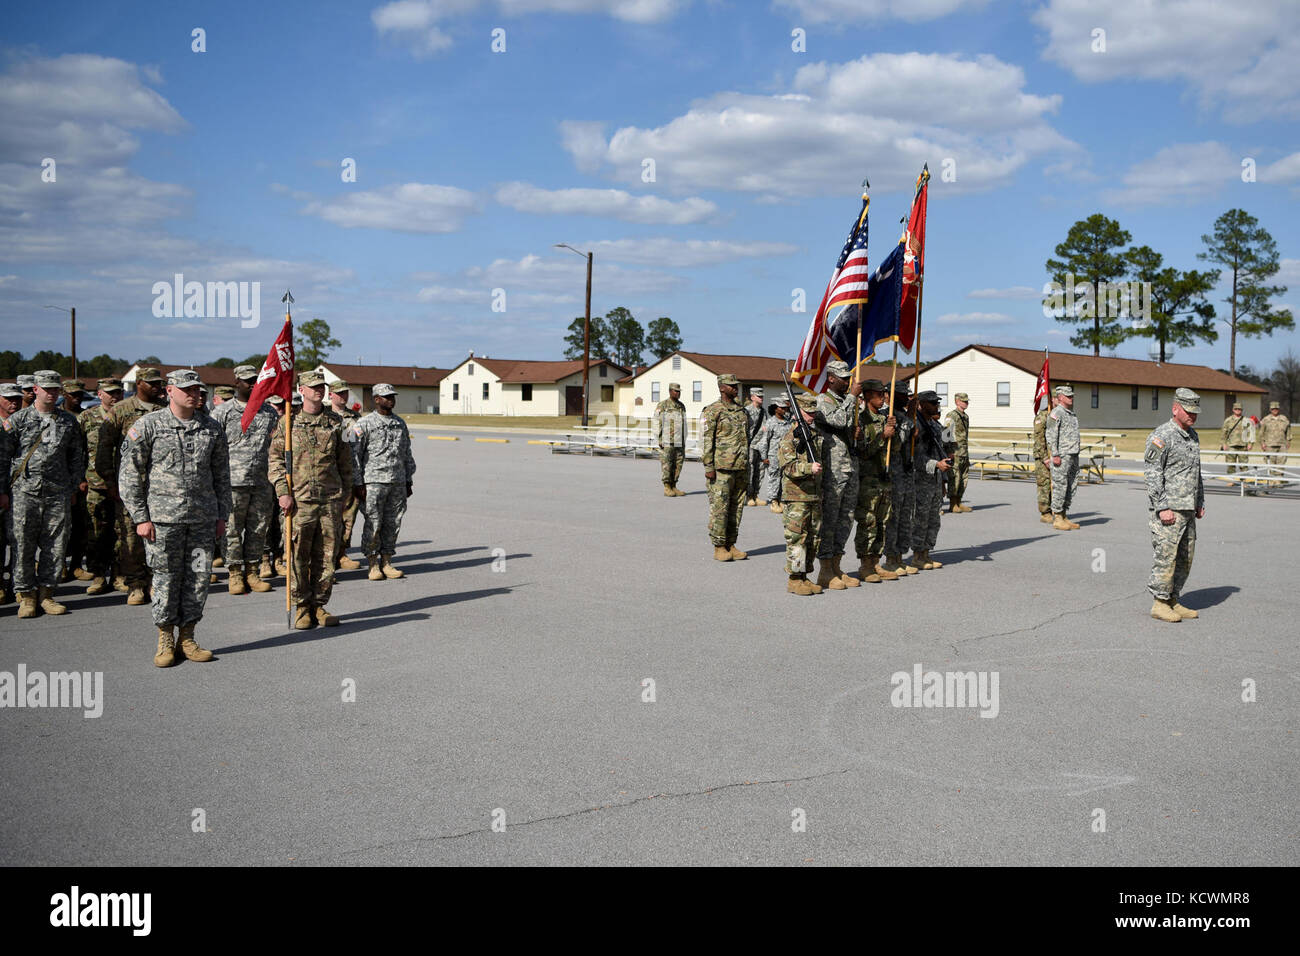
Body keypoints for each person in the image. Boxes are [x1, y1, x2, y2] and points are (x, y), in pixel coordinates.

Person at [119, 370, 230, 665]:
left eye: (197, 390)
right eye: (187, 390)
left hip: (202, 521)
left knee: (198, 578)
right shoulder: (148, 426)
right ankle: (165, 637)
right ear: (170, 391)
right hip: (163, 522)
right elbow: (130, 475)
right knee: (166, 579)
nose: (193, 395)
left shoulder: (211, 428)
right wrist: (141, 517)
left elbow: (222, 475)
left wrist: (222, 514)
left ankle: (189, 636)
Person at [267, 370, 354, 629]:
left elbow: (345, 462)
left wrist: (345, 495)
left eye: (321, 386)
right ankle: (302, 607)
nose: (319, 390)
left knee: (326, 556)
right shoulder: (288, 423)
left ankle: (319, 605)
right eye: (313, 386)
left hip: (329, 500)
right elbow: (274, 461)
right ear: (301, 390)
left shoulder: (335, 422)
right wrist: (283, 491)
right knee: (297, 556)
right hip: (299, 501)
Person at [0, 370, 85, 618]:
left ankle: (46, 594)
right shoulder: (18, 420)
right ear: (35, 389)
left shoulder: (68, 421)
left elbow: (76, 457)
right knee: (22, 544)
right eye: (46, 389)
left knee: (55, 546)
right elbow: (3, 458)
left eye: (55, 389)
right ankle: (26, 596)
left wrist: (72, 487)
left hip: (57, 493)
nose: (51, 393)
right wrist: (3, 492)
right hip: (23, 493)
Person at [97, 367, 165, 605]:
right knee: (130, 536)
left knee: (159, 536)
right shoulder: (121, 410)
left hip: (160, 487)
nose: (157, 386)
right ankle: (135, 583)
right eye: (151, 383)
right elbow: (104, 449)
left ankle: (155, 581)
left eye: (159, 383)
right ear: (139, 383)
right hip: (130, 486)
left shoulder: (165, 410)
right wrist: (110, 481)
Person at [212, 365, 277, 595]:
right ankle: (234, 573)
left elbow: (277, 448)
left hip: (261, 482)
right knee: (231, 530)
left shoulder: (269, 413)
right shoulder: (222, 413)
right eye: (247, 380)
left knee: (258, 530)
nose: (252, 384)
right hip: (232, 483)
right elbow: (213, 450)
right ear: (236, 383)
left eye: (255, 380)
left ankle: (252, 571)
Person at [1145, 388, 1205, 623]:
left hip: (1188, 507)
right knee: (1166, 556)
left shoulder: (1193, 436)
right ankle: (1159, 603)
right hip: (1169, 509)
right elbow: (1152, 474)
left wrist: (1200, 501)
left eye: (1196, 412)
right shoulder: (1162, 436)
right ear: (1175, 408)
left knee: (1185, 557)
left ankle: (1172, 599)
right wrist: (1162, 507)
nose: (1193, 415)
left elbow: (1196, 473)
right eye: (1189, 411)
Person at [353, 383, 415, 581]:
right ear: (376, 399)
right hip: (373, 482)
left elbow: (406, 453)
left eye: (392, 396)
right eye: (386, 397)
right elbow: (354, 456)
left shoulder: (400, 423)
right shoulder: (363, 424)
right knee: (373, 523)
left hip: (396, 482)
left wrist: (408, 480)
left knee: (393, 522)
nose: (391, 400)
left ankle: (387, 561)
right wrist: (358, 483)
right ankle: (372, 563)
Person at [814, 361, 863, 590]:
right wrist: (853, 398)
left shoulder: (847, 402)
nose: (848, 382)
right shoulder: (824, 400)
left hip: (850, 466)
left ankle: (836, 564)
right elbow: (838, 420)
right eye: (843, 378)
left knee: (847, 517)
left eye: (848, 378)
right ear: (831, 378)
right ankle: (824, 569)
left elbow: (850, 429)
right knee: (831, 519)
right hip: (833, 469)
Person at [79, 378, 123, 595]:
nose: (115, 397)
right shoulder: (87, 417)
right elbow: (77, 451)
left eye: (118, 393)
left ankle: (118, 575)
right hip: (95, 485)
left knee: (121, 533)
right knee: (96, 532)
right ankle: (98, 576)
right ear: (100, 394)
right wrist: (80, 479)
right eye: (110, 393)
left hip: (122, 485)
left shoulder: (125, 415)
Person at [851, 379, 898, 583]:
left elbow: (894, 450)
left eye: (884, 394)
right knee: (868, 523)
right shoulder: (860, 419)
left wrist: (893, 434)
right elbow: (863, 451)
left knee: (882, 523)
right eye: (879, 394)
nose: (883, 398)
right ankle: (865, 565)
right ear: (868, 395)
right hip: (868, 479)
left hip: (884, 479)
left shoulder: (884, 418)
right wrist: (883, 435)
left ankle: (876, 562)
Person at [778, 393, 824, 595]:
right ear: (798, 413)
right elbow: (788, 467)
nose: (812, 416)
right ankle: (794, 579)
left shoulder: (813, 436)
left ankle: (805, 575)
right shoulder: (790, 438)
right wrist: (808, 468)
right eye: (808, 413)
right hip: (796, 496)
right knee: (797, 538)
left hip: (813, 495)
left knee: (813, 538)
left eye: (814, 413)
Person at [700, 373, 749, 561]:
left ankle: (731, 543)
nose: (735, 388)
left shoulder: (741, 411)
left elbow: (747, 438)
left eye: (736, 385)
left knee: (736, 507)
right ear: (722, 387)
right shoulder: (713, 410)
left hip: (741, 466)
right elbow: (706, 440)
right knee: (720, 507)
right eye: (731, 385)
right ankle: (719, 546)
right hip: (721, 468)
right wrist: (708, 466)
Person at [909, 390, 952, 571]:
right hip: (920, 478)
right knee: (920, 518)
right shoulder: (915, 424)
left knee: (933, 519)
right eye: (933, 403)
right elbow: (915, 457)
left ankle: (927, 552)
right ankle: (917, 555)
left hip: (935, 478)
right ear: (922, 404)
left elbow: (945, 445)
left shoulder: (934, 425)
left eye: (937, 403)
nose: (936, 406)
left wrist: (942, 480)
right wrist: (936, 465)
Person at [882, 382, 918, 576]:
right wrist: (910, 419)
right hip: (893, 473)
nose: (907, 399)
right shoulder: (887, 415)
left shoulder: (905, 416)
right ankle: (890, 558)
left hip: (906, 472)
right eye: (903, 395)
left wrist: (911, 418)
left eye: (908, 396)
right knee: (893, 517)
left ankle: (899, 557)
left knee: (905, 516)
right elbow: (898, 441)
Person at [58, 380, 91, 582]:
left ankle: (77, 565)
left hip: (83, 477)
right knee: (60, 527)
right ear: (64, 394)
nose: (76, 397)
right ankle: (59, 564)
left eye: (79, 394)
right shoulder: (59, 416)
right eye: (72, 394)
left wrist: (81, 478)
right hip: (61, 479)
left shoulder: (86, 416)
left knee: (81, 525)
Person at [328, 381, 363, 569]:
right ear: (331, 395)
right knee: (329, 518)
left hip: (349, 473)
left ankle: (342, 553)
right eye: (339, 393)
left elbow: (359, 445)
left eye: (345, 393)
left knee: (348, 516)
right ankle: (327, 556)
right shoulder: (324, 415)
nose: (343, 397)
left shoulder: (355, 417)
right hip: (329, 475)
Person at [750, 396, 794, 512]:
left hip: (786, 456)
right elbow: (764, 441)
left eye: (785, 408)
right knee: (774, 478)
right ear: (776, 409)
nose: (784, 410)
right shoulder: (771, 422)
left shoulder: (788, 422)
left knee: (784, 479)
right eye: (782, 408)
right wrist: (764, 457)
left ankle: (782, 500)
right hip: (773, 455)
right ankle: (774, 501)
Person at [1047, 384, 1081, 530]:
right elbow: (1051, 435)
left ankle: (1064, 514)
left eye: (1072, 396)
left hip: (1072, 454)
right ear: (1060, 397)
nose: (1071, 398)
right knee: (1060, 485)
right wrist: (1055, 454)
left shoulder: (1070, 414)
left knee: (1071, 485)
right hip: (1062, 455)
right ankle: (1057, 517)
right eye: (1068, 396)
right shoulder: (1056, 413)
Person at [0, 382, 20, 606]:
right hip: (3, 491)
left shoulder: (22, 422)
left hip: (19, 493)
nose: (13, 402)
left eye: (16, 398)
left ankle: (16, 583)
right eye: (8, 398)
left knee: (18, 540)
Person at [652, 382, 687, 497]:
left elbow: (684, 423)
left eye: (679, 391)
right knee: (667, 464)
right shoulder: (663, 405)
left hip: (679, 441)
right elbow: (656, 422)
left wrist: (684, 438)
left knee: (678, 464)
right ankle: (667, 487)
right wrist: (658, 438)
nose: (678, 393)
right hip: (667, 440)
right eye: (676, 391)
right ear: (670, 391)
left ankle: (674, 486)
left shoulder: (681, 406)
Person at [944, 392, 972, 513]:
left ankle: (959, 501)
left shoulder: (965, 416)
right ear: (957, 401)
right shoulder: (952, 415)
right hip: (954, 452)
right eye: (963, 401)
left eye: (966, 401)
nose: (966, 403)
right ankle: (952, 503)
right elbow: (946, 434)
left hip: (964, 452)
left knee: (963, 479)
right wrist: (948, 451)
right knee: (954, 478)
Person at [743, 388, 768, 506]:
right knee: (750, 470)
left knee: (760, 470)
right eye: (758, 396)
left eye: (762, 396)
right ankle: (748, 496)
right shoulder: (746, 411)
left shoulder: (763, 412)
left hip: (761, 445)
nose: (761, 398)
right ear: (752, 397)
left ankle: (756, 494)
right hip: (751, 445)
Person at [1257, 401, 1291, 483]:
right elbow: (1261, 433)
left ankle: (1279, 479)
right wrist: (1262, 443)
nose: (1275, 410)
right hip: (1269, 444)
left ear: (1278, 409)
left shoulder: (1284, 419)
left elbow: (1288, 431)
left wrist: (1288, 441)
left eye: (1276, 409)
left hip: (1282, 444)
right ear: (1270, 409)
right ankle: (1272, 479)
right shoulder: (1266, 419)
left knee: (1281, 462)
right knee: (1270, 462)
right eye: (1273, 409)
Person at [1033, 396, 1054, 523]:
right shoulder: (1042, 416)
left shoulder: (1054, 415)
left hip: (1053, 455)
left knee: (1053, 484)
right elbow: (1039, 439)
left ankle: (1053, 509)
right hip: (1043, 457)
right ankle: (1045, 512)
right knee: (1044, 484)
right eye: (1054, 399)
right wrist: (1045, 458)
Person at [1219, 402, 1249, 475]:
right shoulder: (1228, 420)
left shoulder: (1246, 420)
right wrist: (1223, 444)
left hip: (1243, 445)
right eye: (1236, 409)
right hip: (1231, 445)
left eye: (1239, 409)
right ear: (1233, 410)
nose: (1238, 410)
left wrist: (1250, 443)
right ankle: (1231, 480)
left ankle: (1244, 481)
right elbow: (1223, 433)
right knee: (1231, 464)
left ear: (1242, 410)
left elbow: (1250, 432)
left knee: (1244, 465)